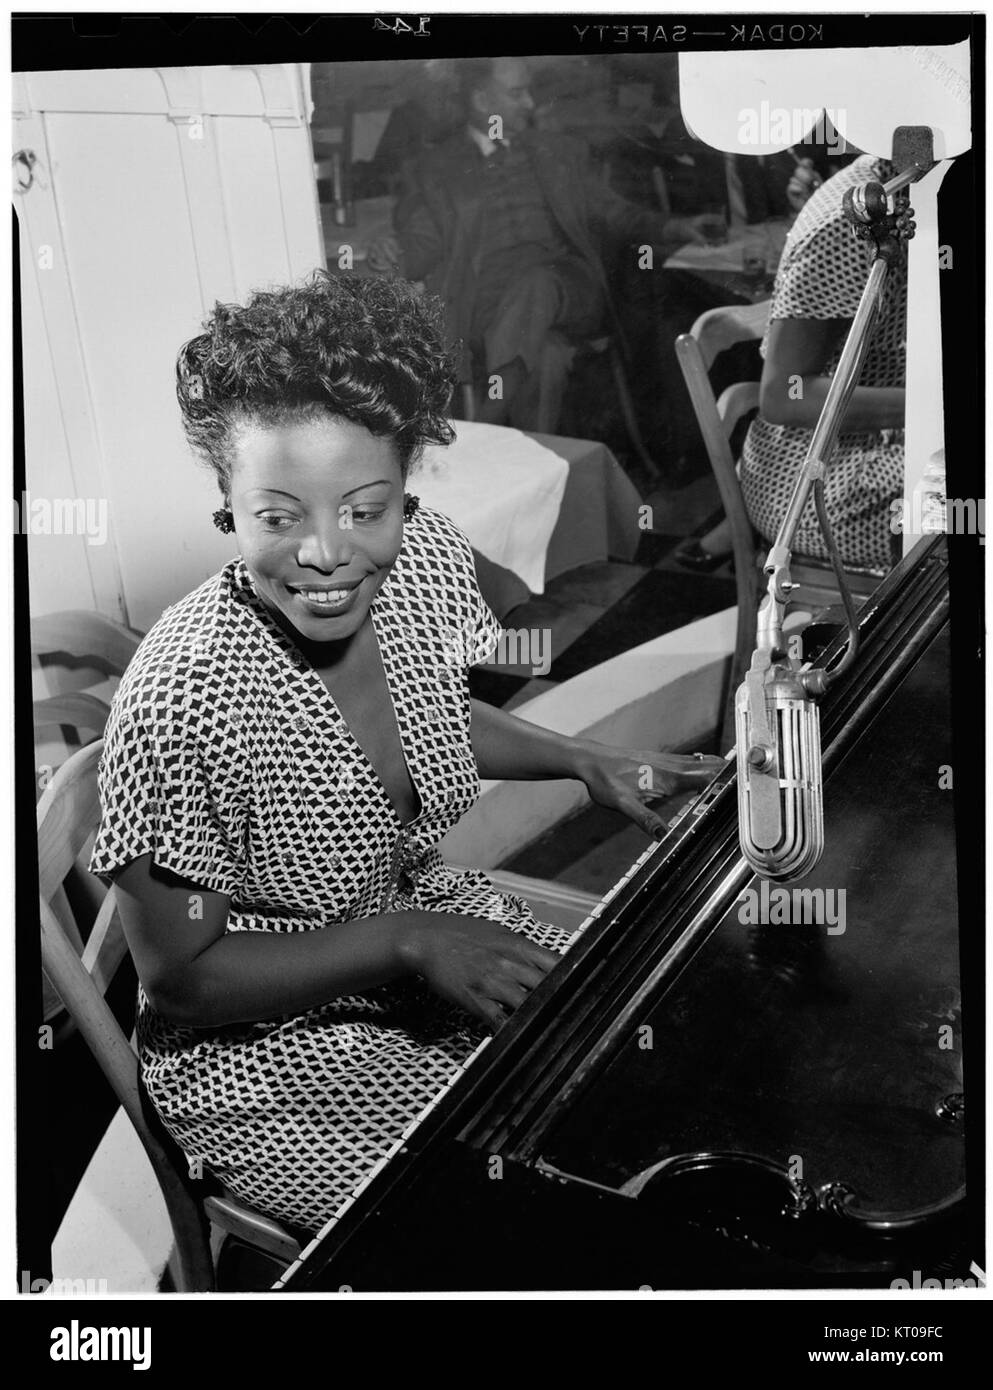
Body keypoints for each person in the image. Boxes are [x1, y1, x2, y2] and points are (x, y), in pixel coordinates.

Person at [89, 271, 723, 1234]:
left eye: (365, 506)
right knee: (514, 1225)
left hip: (419, 917)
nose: (327, 550)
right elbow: (181, 978)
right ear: (227, 503)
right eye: (278, 515)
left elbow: (427, 714)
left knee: (655, 1066)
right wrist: (405, 940)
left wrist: (582, 761)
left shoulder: (423, 559)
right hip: (264, 1049)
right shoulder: (186, 692)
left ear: (404, 489)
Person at [368, 56, 707, 435]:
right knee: (546, 358)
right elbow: (423, 242)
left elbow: (613, 211)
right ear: (482, 100)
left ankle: (482, 429)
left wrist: (676, 226)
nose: (530, 103)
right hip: (488, 307)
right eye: (517, 93)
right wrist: (391, 253)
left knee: (536, 284)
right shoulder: (437, 168)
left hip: (568, 287)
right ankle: (536, 472)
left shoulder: (558, 152)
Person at [730, 153, 906, 573]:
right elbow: (783, 395)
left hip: (875, 446)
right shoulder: (845, 225)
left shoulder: (904, 193)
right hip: (816, 484)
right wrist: (931, 405)